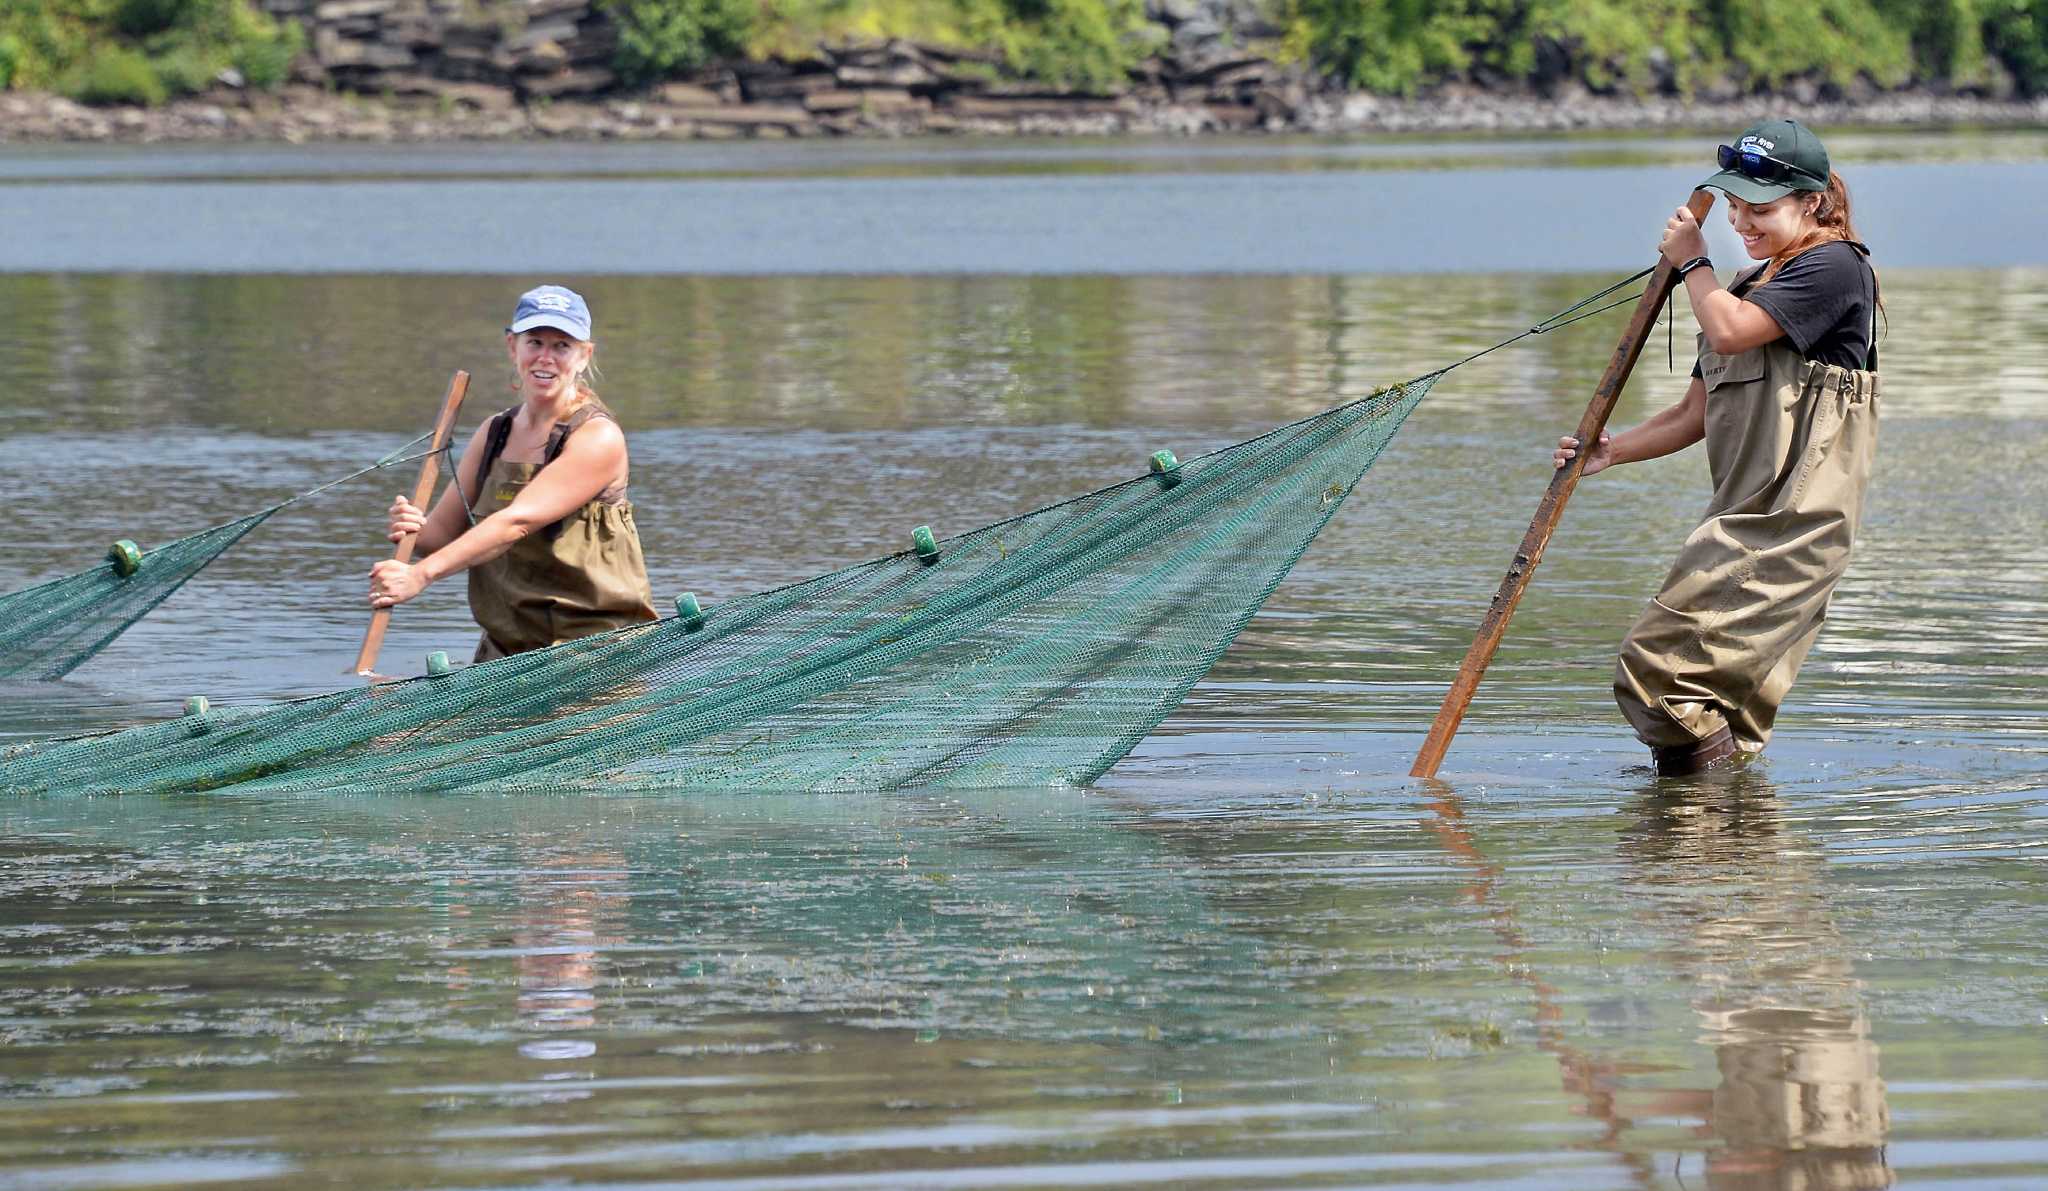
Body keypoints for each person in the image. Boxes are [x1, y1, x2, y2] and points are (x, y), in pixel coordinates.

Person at [1554, 119, 1881, 775]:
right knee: (1705, 699)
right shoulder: (1746, 284)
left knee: (1656, 669)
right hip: (1743, 517)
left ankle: (1704, 822)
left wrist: (1694, 262)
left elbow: (1731, 334)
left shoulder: (1834, 268)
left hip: (1792, 524)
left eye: (1758, 208)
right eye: (1734, 205)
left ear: (1811, 201)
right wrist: (1612, 451)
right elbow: (1692, 413)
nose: (1741, 221)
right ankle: (1727, 841)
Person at [369, 284, 658, 661]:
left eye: (562, 346)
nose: (546, 358)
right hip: (508, 648)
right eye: (535, 342)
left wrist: (419, 576)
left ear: (585, 355)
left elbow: (515, 522)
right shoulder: (494, 432)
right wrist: (413, 528)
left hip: (592, 649)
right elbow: (439, 537)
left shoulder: (597, 436)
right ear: (512, 346)